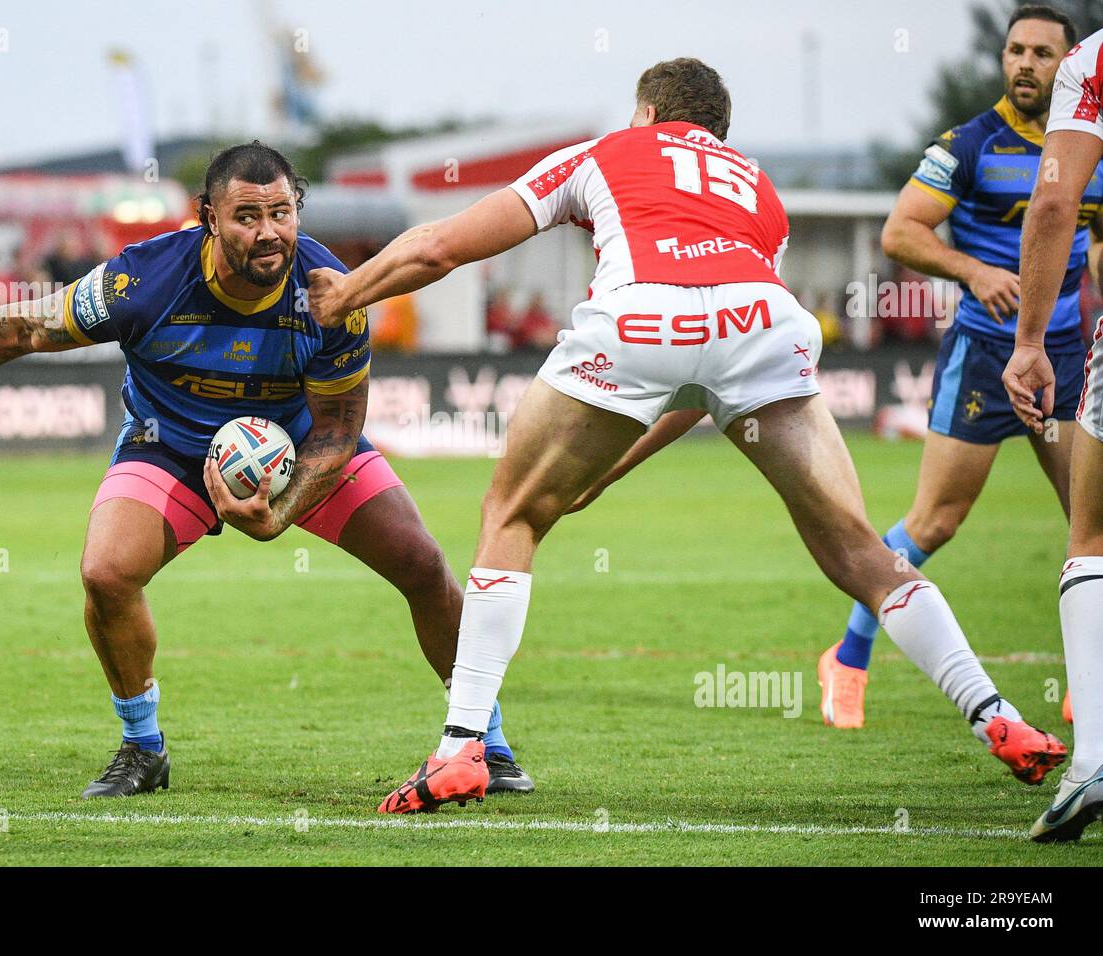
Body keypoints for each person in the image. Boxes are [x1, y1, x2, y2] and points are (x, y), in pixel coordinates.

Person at [308, 58, 1065, 814]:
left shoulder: (605, 151)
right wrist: (608, 467)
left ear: (646, 113)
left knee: (512, 515)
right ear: (718, 130)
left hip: (639, 318)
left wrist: (348, 289)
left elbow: (444, 246)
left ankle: (460, 749)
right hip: (768, 325)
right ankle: (998, 715)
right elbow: (707, 378)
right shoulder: (757, 187)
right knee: (862, 550)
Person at [0, 141, 532, 800]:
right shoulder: (146, 278)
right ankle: (143, 747)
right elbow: (27, 328)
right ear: (209, 220)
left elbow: (340, 429)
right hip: (169, 447)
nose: (268, 233)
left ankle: (484, 742)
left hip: (302, 442)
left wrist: (277, 514)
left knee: (419, 560)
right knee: (107, 573)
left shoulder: (333, 294)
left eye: (281, 213)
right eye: (247, 217)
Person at [819, 5, 1101, 729]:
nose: (1026, 65)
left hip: (1068, 354)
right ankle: (848, 657)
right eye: (1015, 51)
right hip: (983, 355)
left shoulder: (1089, 147)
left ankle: (1088, 683)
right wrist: (974, 271)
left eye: (1043, 53)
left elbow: (1093, 239)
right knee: (936, 522)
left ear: (1072, 66)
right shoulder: (969, 144)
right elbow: (900, 231)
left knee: (1090, 524)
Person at [1003, 25, 1103, 841]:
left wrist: (1030, 341)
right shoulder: (965, 142)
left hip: (1015, 343)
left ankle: (1094, 756)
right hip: (967, 337)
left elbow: (1054, 202)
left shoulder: (1093, 61)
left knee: (1091, 532)